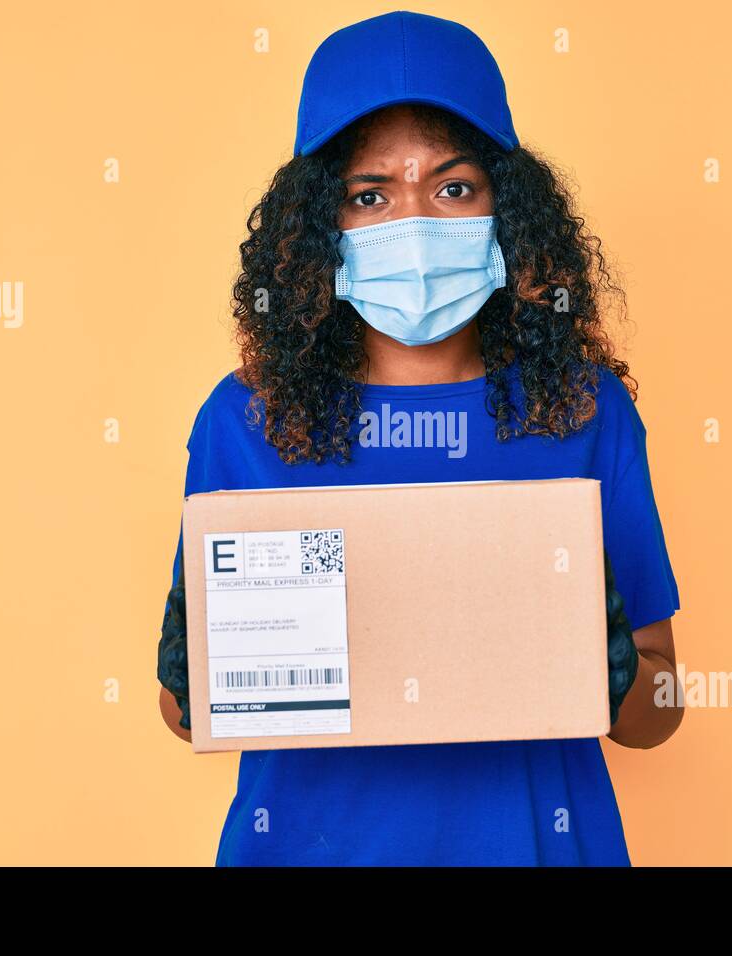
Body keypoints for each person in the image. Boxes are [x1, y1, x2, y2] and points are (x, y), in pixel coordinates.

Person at [157, 10, 683, 866]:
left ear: (506, 208)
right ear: (320, 227)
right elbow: (184, 718)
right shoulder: (247, 422)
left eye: (452, 187)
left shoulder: (582, 411)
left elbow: (659, 714)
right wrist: (193, 664)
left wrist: (613, 657)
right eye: (370, 195)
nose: (414, 222)